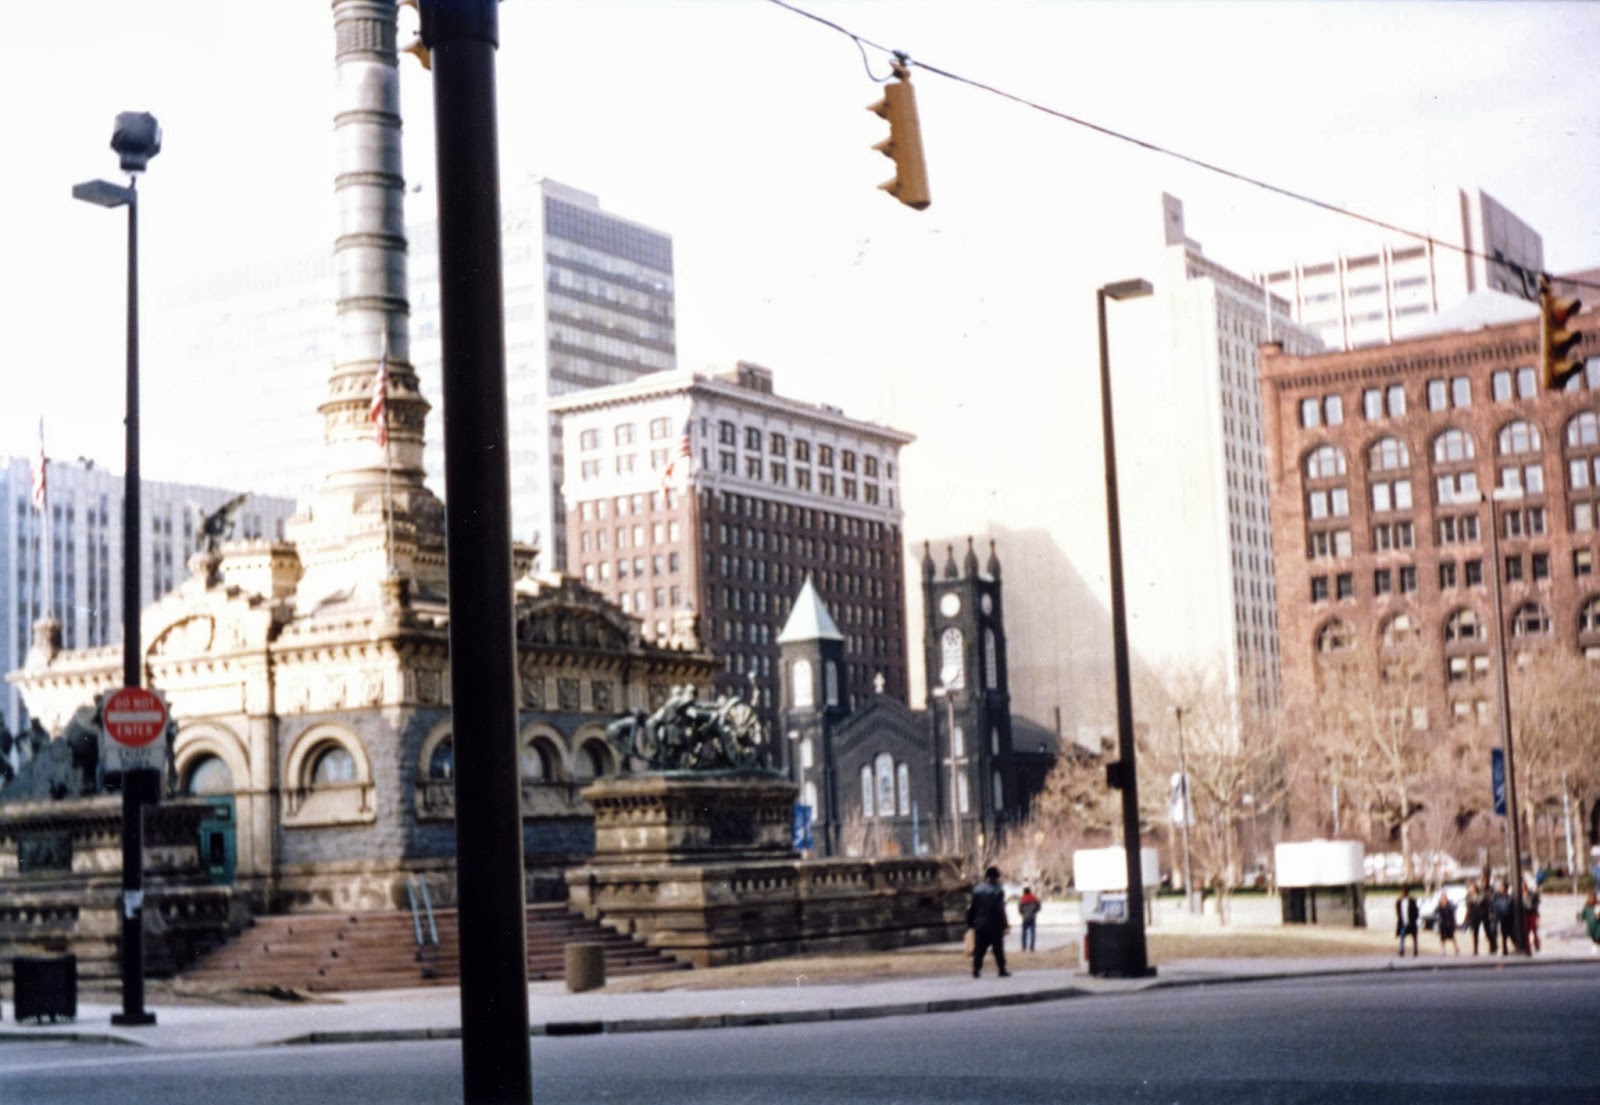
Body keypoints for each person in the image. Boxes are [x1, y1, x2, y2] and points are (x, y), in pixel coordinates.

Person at [966, 865, 1011, 978]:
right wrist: (1005, 925)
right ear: (996, 877)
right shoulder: (998, 891)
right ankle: (1002, 969)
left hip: (981, 924)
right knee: (998, 949)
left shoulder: (977, 890)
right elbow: (1000, 910)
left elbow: (972, 908)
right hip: (995, 925)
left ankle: (976, 970)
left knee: (980, 949)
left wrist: (970, 923)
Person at [1491, 880, 1517, 955]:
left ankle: (1515, 946)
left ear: (1506, 889)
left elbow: (1511, 908)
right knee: (1503, 934)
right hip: (1500, 918)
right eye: (1500, 887)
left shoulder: (1509, 898)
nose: (1500, 889)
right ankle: (1504, 949)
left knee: (1510, 933)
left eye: (1502, 887)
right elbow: (1493, 906)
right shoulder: (1497, 897)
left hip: (1508, 918)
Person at [1463, 880, 1489, 955]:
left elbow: (1485, 905)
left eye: (1472, 888)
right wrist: (1466, 917)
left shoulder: (1482, 895)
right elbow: (1468, 908)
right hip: (1473, 916)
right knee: (1475, 932)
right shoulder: (1468, 897)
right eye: (1470, 888)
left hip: (1482, 915)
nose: (1471, 889)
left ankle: (1491, 945)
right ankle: (1475, 949)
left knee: (1487, 931)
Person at [1395, 885, 1420, 956]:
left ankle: (1415, 950)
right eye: (1402, 892)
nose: (1403, 893)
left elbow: (1416, 911)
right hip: (1403, 922)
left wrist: (1414, 919)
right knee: (1402, 936)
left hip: (1411, 922)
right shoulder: (1399, 901)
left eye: (1404, 892)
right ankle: (1401, 950)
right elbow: (1398, 912)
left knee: (1414, 937)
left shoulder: (1412, 901)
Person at [1017, 886, 1041, 951]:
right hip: (1032, 917)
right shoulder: (1034, 898)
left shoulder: (1022, 899)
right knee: (1033, 933)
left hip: (1025, 917)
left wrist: (1023, 914)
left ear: (1024, 892)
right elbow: (1039, 907)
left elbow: (1019, 909)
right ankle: (1032, 947)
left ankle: (1024, 946)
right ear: (1030, 892)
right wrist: (1034, 912)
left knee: (1024, 933)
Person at [1435, 889, 1459, 954]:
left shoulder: (1450, 905)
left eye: (1444, 898)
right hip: (1442, 923)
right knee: (1442, 937)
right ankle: (1443, 950)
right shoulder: (1439, 906)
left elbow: (1453, 912)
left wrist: (1453, 923)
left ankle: (1456, 948)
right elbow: (1436, 912)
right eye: (1442, 898)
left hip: (1449, 923)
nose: (1443, 899)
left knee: (1452, 936)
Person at [1578, 890, 1600, 954]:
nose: (1592, 898)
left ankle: (1595, 949)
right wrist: (1579, 917)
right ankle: (1595, 948)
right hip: (1591, 927)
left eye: (1594, 897)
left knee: (1597, 938)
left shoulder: (1598, 905)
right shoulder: (1587, 906)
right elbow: (1583, 916)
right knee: (1594, 939)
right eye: (1591, 897)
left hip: (1598, 926)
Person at [1523, 878, 1542, 953]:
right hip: (1525, 914)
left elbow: (1537, 901)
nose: (1524, 888)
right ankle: (1527, 947)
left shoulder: (1532, 894)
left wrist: (1535, 909)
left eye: (1525, 886)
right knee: (1526, 931)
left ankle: (1536, 944)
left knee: (1534, 930)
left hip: (1532, 913)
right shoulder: (1520, 894)